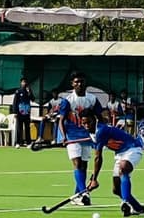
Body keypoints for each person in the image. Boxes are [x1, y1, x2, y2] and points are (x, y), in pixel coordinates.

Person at [82, 110, 144, 216]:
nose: (86, 125)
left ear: (94, 120)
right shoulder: (92, 133)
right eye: (83, 123)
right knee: (116, 189)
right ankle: (138, 208)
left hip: (133, 148)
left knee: (123, 168)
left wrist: (94, 179)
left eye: (88, 122)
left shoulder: (101, 130)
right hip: (120, 154)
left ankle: (125, 202)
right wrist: (93, 179)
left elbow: (98, 157)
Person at [52, 73, 104, 206]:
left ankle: (77, 196)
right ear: (72, 84)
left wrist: (101, 131)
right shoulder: (68, 100)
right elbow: (61, 121)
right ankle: (83, 193)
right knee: (77, 163)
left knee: (84, 165)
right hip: (72, 135)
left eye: (81, 82)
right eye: (76, 82)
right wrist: (63, 137)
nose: (79, 84)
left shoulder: (92, 99)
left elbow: (100, 116)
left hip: (87, 135)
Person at [11, 78, 34, 148]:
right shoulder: (18, 91)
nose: (24, 83)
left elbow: (33, 99)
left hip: (27, 112)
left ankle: (28, 143)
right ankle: (18, 142)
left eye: (25, 82)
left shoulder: (28, 91)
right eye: (23, 82)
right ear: (21, 83)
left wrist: (29, 92)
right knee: (19, 128)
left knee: (27, 127)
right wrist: (15, 112)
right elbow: (15, 102)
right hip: (19, 112)